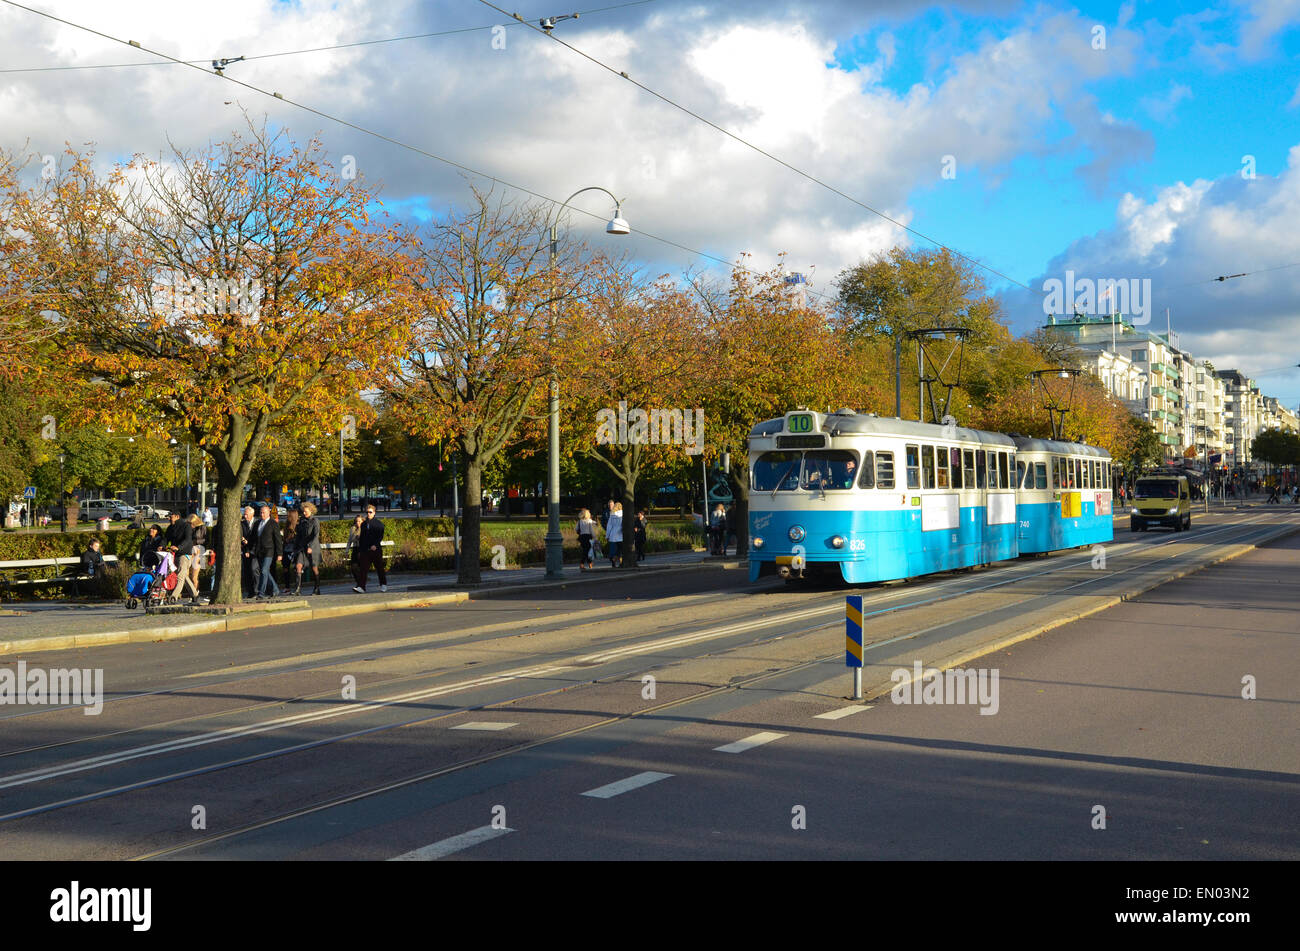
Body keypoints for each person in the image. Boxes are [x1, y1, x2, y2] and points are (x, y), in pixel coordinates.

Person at [353, 505, 387, 593]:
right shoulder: (363, 524)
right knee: (363, 569)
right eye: (367, 512)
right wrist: (360, 550)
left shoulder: (379, 524)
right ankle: (361, 587)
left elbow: (380, 536)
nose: (368, 514)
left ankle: (383, 584)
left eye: (370, 512)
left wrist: (375, 545)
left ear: (374, 513)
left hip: (375, 550)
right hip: (365, 550)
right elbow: (362, 538)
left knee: (379, 567)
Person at [252, 503, 283, 599]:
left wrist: (279, 553)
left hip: (269, 551)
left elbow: (278, 539)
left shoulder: (273, 523)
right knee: (265, 572)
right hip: (259, 551)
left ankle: (261, 592)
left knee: (264, 570)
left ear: (269, 513)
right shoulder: (257, 523)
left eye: (264, 513)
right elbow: (254, 537)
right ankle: (275, 590)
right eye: (261, 513)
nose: (262, 514)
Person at [296, 501, 323, 595]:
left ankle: (317, 588)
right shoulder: (302, 521)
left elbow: (316, 535)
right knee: (298, 566)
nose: (304, 513)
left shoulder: (315, 521)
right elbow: (299, 535)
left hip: (313, 547)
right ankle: (298, 589)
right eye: (303, 511)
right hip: (303, 547)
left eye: (306, 511)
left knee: (314, 568)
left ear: (311, 511)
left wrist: (311, 546)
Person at [282, 508, 300, 592]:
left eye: (288, 515)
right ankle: (287, 586)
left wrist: (290, 539)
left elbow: (299, 538)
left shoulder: (298, 526)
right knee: (285, 568)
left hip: (294, 549)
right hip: (286, 549)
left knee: (296, 568)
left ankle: (297, 586)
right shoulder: (286, 526)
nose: (287, 517)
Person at [606, 503, 624, 569]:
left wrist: (607, 536)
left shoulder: (612, 514)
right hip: (620, 534)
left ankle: (614, 561)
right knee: (621, 550)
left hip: (613, 534)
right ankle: (620, 562)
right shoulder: (623, 514)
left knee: (616, 550)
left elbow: (609, 526)